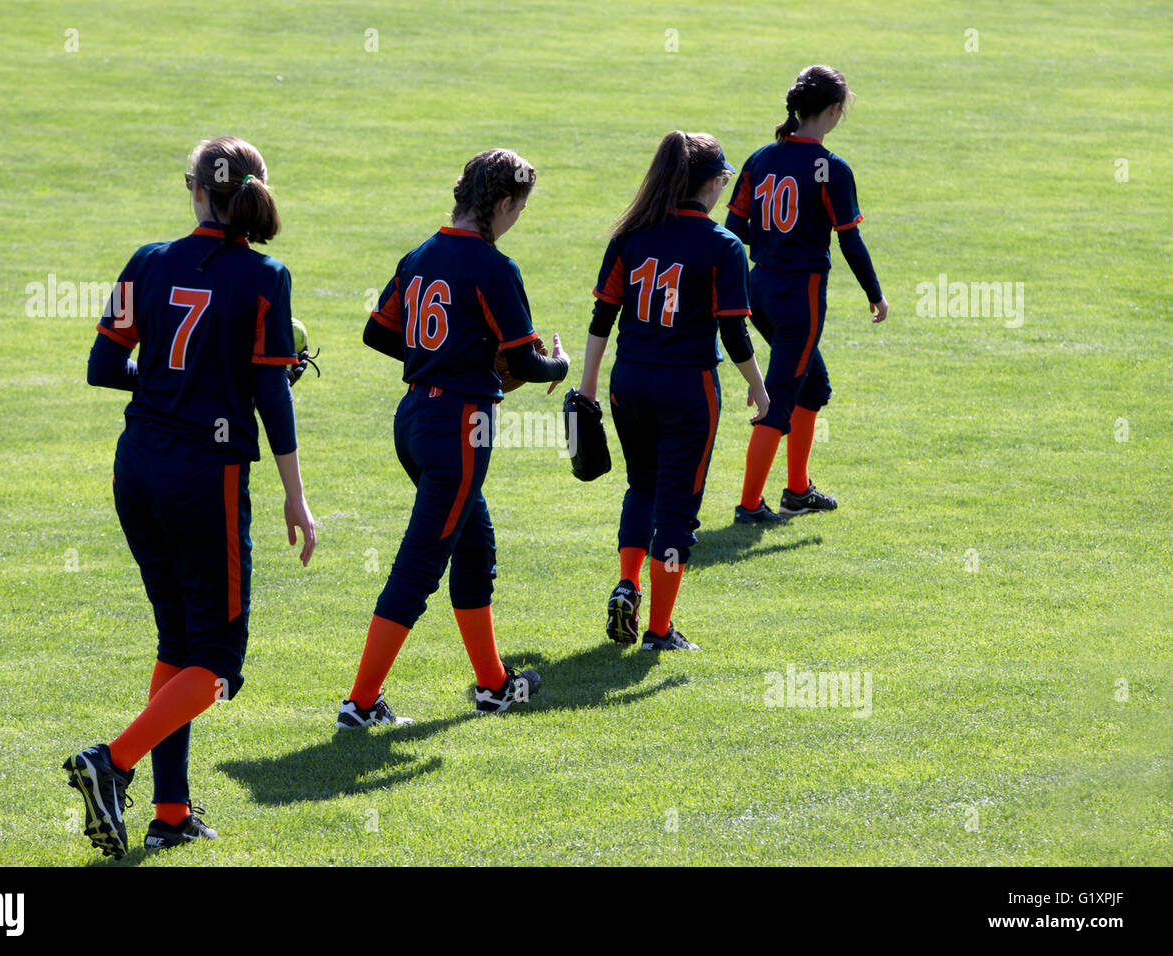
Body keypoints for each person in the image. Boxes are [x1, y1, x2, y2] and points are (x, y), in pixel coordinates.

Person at [64, 136, 317, 858]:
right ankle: (111, 764)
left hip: (137, 466)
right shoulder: (267, 275)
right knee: (217, 664)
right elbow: (271, 394)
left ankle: (169, 811)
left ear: (196, 192)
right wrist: (295, 498)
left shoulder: (147, 261)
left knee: (178, 639)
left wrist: (179, 388)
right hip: (206, 478)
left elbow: (103, 365)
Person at [340, 148, 569, 727]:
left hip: (414, 421)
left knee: (475, 547)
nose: (518, 217)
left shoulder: (420, 254)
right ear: (500, 203)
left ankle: (494, 685)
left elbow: (378, 332)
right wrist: (559, 366)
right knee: (418, 568)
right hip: (459, 430)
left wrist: (439, 358)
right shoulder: (495, 267)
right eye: (518, 207)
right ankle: (360, 704)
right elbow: (526, 361)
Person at [579, 131, 769, 650]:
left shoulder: (632, 235)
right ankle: (659, 630)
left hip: (629, 384)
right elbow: (733, 333)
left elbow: (602, 317)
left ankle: (627, 583)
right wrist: (760, 387)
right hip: (688, 390)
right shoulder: (723, 246)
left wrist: (588, 386)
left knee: (642, 486)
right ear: (709, 184)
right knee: (678, 510)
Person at [725, 65, 888, 523]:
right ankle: (749, 504)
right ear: (834, 110)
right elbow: (849, 240)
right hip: (801, 298)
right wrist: (875, 294)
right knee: (779, 399)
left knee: (812, 386)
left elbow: (732, 235)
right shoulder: (831, 168)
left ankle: (797, 490)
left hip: (758, 290)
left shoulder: (761, 158)